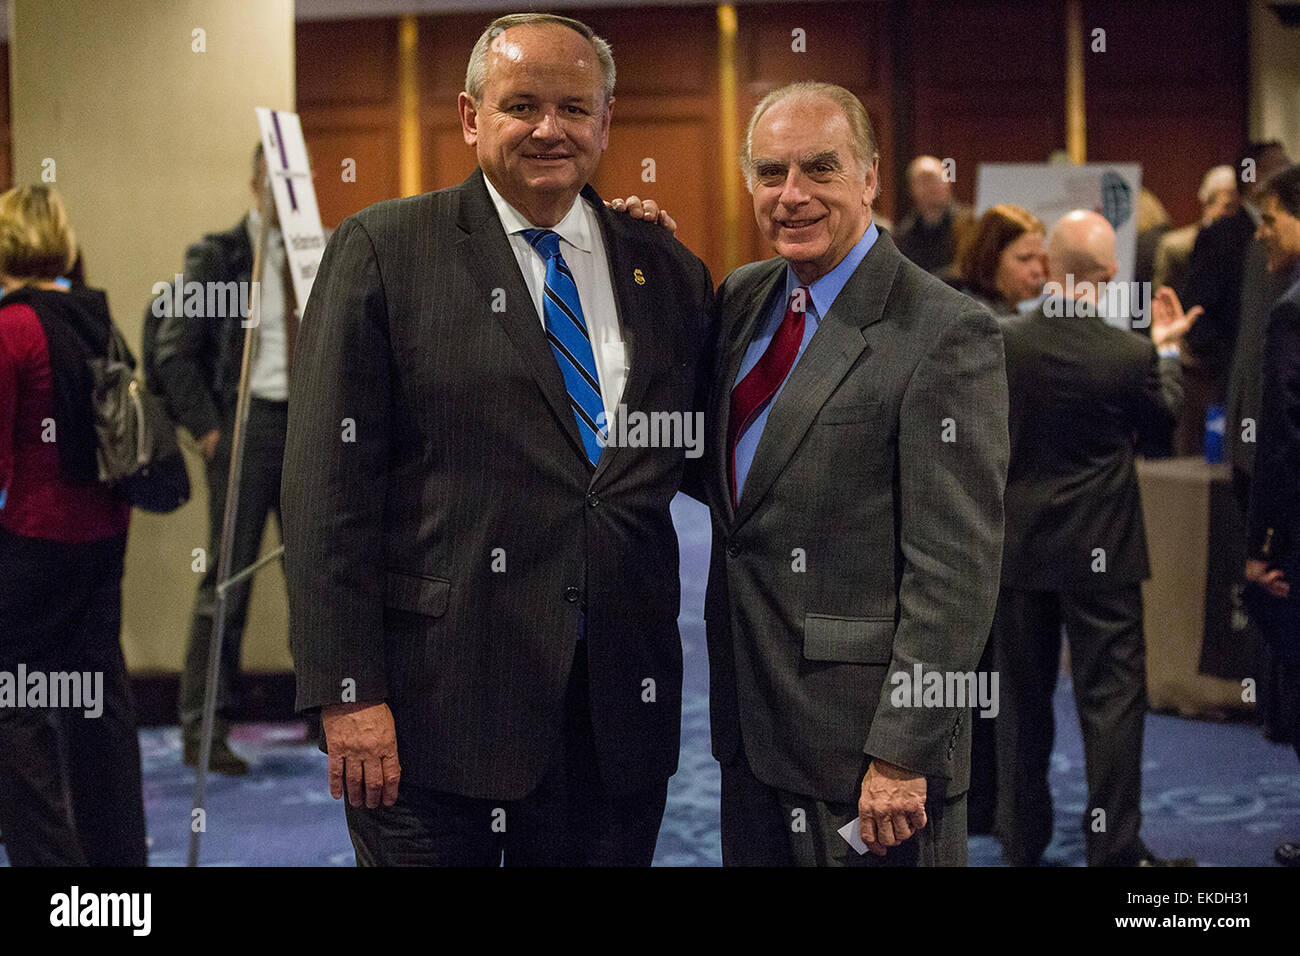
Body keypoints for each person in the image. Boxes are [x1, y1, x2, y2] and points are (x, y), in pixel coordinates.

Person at [280, 12, 714, 866]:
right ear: (471, 117)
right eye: (522, 105)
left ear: (606, 122)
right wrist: (347, 693)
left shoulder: (664, 268)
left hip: (616, 707)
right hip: (434, 710)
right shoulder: (385, 251)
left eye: (574, 107)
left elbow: (696, 456)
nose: (550, 129)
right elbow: (325, 493)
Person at [701, 82, 1008, 866]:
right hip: (753, 728)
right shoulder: (744, 297)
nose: (792, 196)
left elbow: (956, 572)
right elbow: (726, 476)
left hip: (870, 758)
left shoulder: (945, 330)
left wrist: (904, 752)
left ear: (870, 177)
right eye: (771, 173)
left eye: (819, 170)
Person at [995, 210, 1196, 867]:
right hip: (1101, 552)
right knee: (1110, 705)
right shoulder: (1129, 353)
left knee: (1020, 709)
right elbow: (1163, 425)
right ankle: (1112, 850)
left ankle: (1021, 845)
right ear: (1110, 276)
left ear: (1047, 268)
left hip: (1019, 551)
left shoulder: (1000, 340)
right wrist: (1166, 350)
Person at [0, 185, 147, 865]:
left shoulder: (12, 326)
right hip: (104, 539)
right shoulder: (96, 316)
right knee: (100, 710)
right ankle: (117, 876)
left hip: (32, 545)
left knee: (18, 712)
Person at [153, 142, 298, 775]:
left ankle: (330, 723)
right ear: (254, 182)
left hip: (309, 429)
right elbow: (173, 350)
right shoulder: (220, 256)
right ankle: (203, 733)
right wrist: (211, 432)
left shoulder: (318, 256)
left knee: (317, 583)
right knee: (228, 585)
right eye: (274, 177)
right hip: (245, 426)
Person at [1241, 164, 1300, 867]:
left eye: (1274, 216)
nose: (1263, 232)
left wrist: (1260, 545)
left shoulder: (1290, 309)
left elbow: (1282, 441)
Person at [1177, 141, 1290, 455]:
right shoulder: (1223, 235)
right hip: (1234, 381)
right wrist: (1229, 363)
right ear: (1253, 177)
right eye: (1281, 166)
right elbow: (1198, 310)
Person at [1152, 164, 1238, 300]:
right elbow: (1161, 300)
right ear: (1207, 203)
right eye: (1228, 206)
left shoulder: (1245, 244)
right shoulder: (1175, 247)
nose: (1234, 214)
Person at [955, 204, 1046, 317]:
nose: (1039, 270)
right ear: (990, 261)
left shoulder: (1010, 314)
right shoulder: (974, 319)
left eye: (1041, 259)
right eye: (1025, 258)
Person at [892, 155, 972, 277]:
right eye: (926, 179)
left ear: (948, 183)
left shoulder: (970, 223)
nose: (933, 185)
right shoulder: (904, 232)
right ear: (911, 188)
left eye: (939, 178)